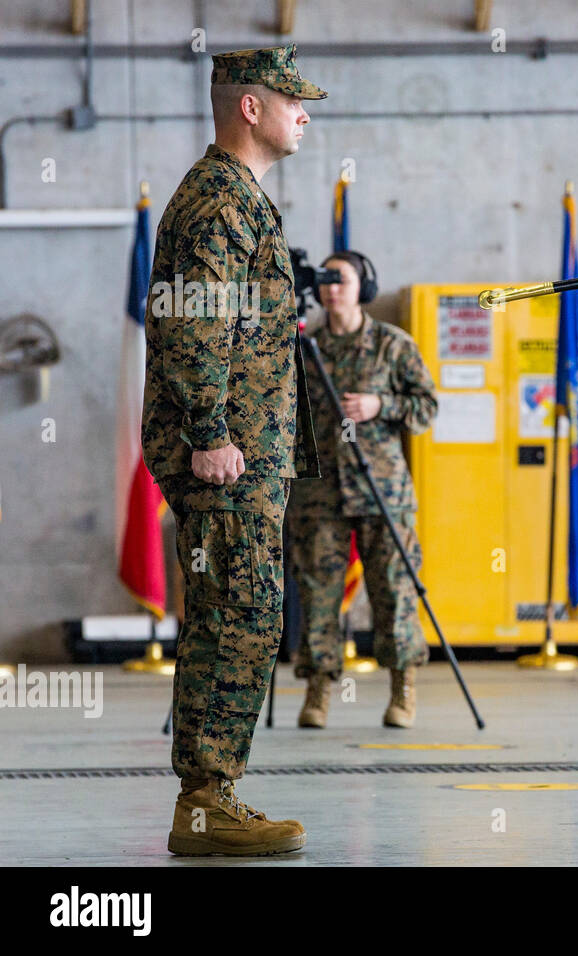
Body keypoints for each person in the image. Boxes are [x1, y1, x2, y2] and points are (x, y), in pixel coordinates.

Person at [142, 45, 325, 856]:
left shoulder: (238, 196)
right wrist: (211, 434)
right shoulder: (220, 200)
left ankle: (213, 796)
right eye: (293, 100)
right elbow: (193, 327)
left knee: (245, 611)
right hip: (227, 457)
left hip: (250, 453)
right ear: (250, 107)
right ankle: (208, 803)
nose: (305, 113)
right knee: (234, 615)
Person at [289, 250, 437, 729]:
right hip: (321, 492)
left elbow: (426, 407)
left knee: (394, 592)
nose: (333, 288)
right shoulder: (302, 346)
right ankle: (318, 691)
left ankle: (403, 689)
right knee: (318, 594)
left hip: (382, 489)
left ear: (363, 286)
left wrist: (381, 404)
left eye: (344, 279)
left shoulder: (392, 345)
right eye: (326, 280)